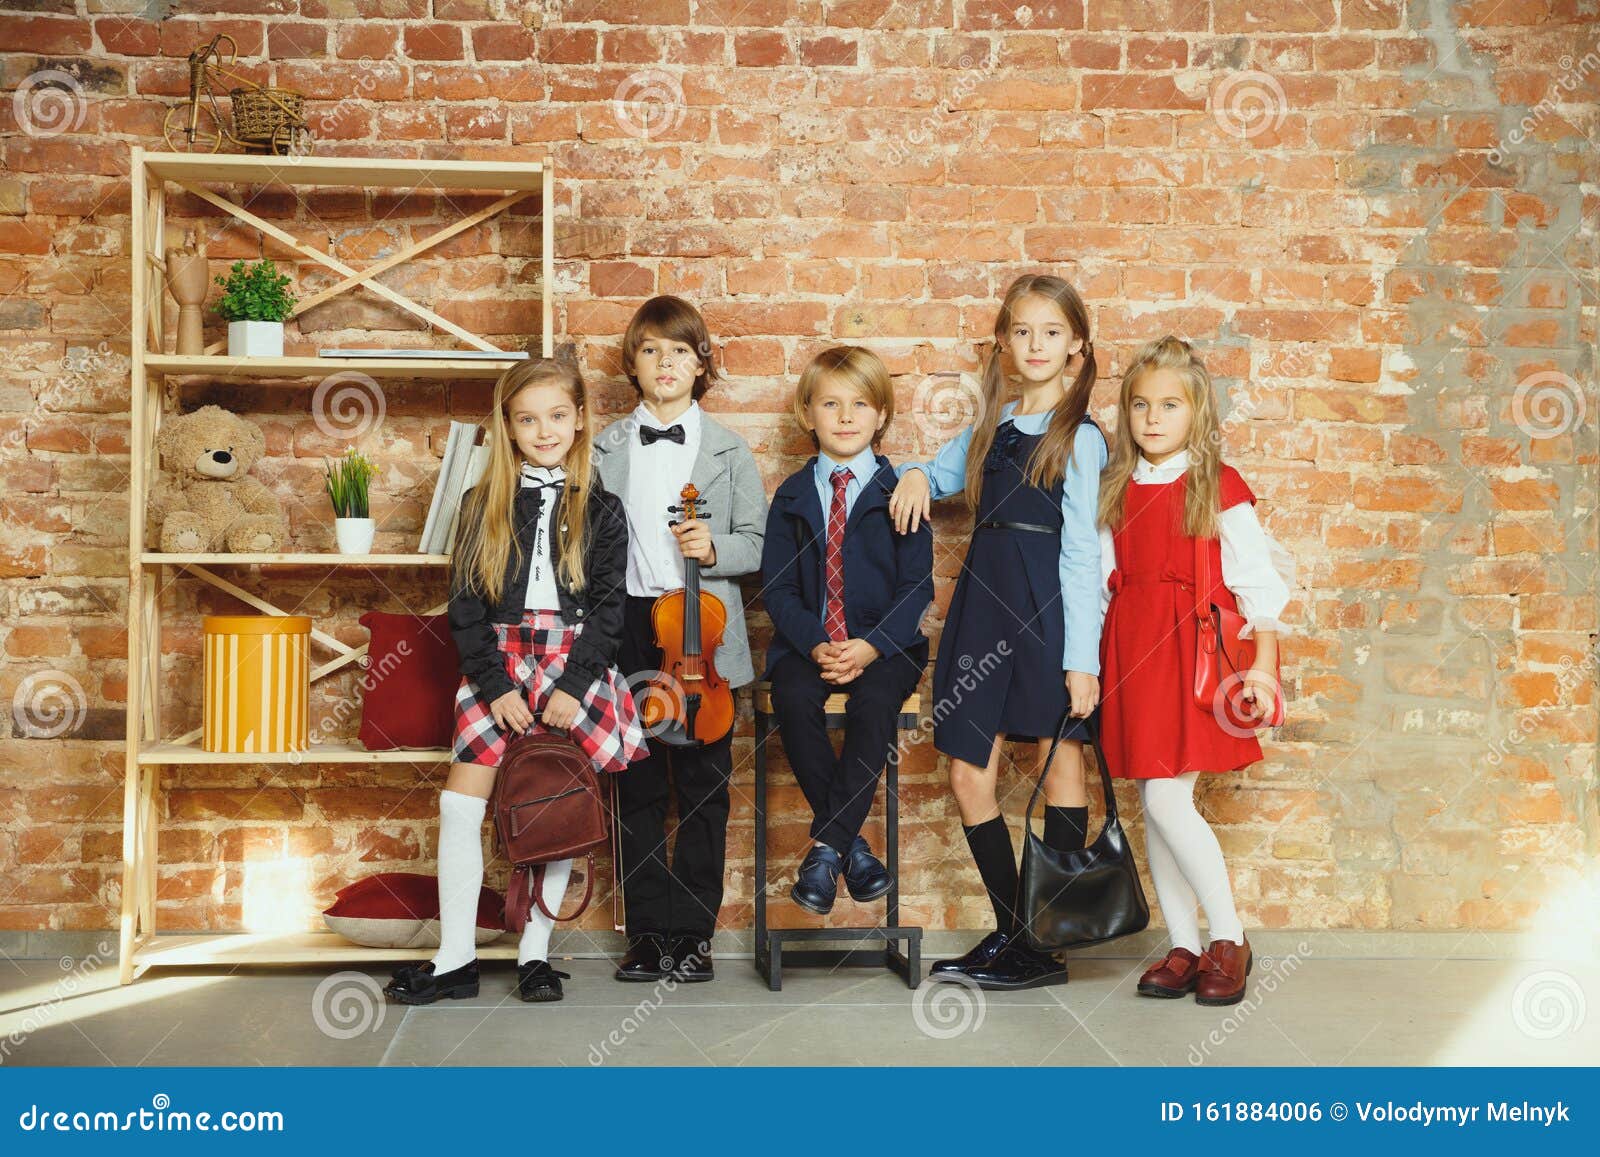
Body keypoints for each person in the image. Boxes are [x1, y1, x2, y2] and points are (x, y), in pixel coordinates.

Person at [385, 357, 646, 1006]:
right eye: (528, 419)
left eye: (557, 415)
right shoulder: (481, 505)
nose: (545, 429)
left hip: (571, 663)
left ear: (580, 419)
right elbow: (465, 607)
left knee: (557, 807)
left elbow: (612, 608)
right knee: (459, 803)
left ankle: (534, 955)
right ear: (507, 426)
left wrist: (574, 685)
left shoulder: (606, 511)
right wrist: (494, 684)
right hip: (497, 662)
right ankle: (455, 960)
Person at [889, 274, 1107, 990]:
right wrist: (919, 473)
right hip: (984, 605)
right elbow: (935, 468)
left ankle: (1046, 942)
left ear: (1075, 344)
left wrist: (1083, 662)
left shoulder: (1081, 438)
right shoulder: (993, 426)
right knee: (965, 771)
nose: (1036, 344)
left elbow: (1081, 554)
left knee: (1061, 765)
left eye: (1051, 331)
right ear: (1004, 344)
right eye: (1022, 331)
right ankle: (1016, 931)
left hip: (1049, 608)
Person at [1097, 335, 1292, 1006]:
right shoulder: (1115, 488)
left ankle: (1229, 937)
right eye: (1141, 405)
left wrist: (1263, 669)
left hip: (1194, 654)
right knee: (1155, 806)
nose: (1153, 418)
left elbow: (1257, 583)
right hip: (1131, 654)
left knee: (1165, 798)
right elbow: (1102, 585)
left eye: (1170, 405)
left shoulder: (1218, 483)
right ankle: (1183, 944)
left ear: (1196, 412)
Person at [594, 295, 767, 983]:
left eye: (680, 351)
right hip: (630, 626)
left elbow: (757, 543)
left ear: (702, 366)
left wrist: (713, 544)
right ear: (633, 365)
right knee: (634, 785)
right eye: (651, 350)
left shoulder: (729, 449)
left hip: (703, 632)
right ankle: (647, 934)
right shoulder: (602, 445)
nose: (666, 363)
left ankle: (692, 935)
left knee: (702, 788)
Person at [762, 345, 933, 914]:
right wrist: (815, 643)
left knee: (875, 704)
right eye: (830, 403)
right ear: (807, 413)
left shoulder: (900, 493)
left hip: (885, 646)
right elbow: (778, 591)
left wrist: (869, 647)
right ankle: (851, 849)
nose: (845, 416)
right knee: (790, 694)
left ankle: (826, 849)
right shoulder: (789, 497)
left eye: (860, 403)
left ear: (881, 414)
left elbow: (917, 590)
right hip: (807, 644)